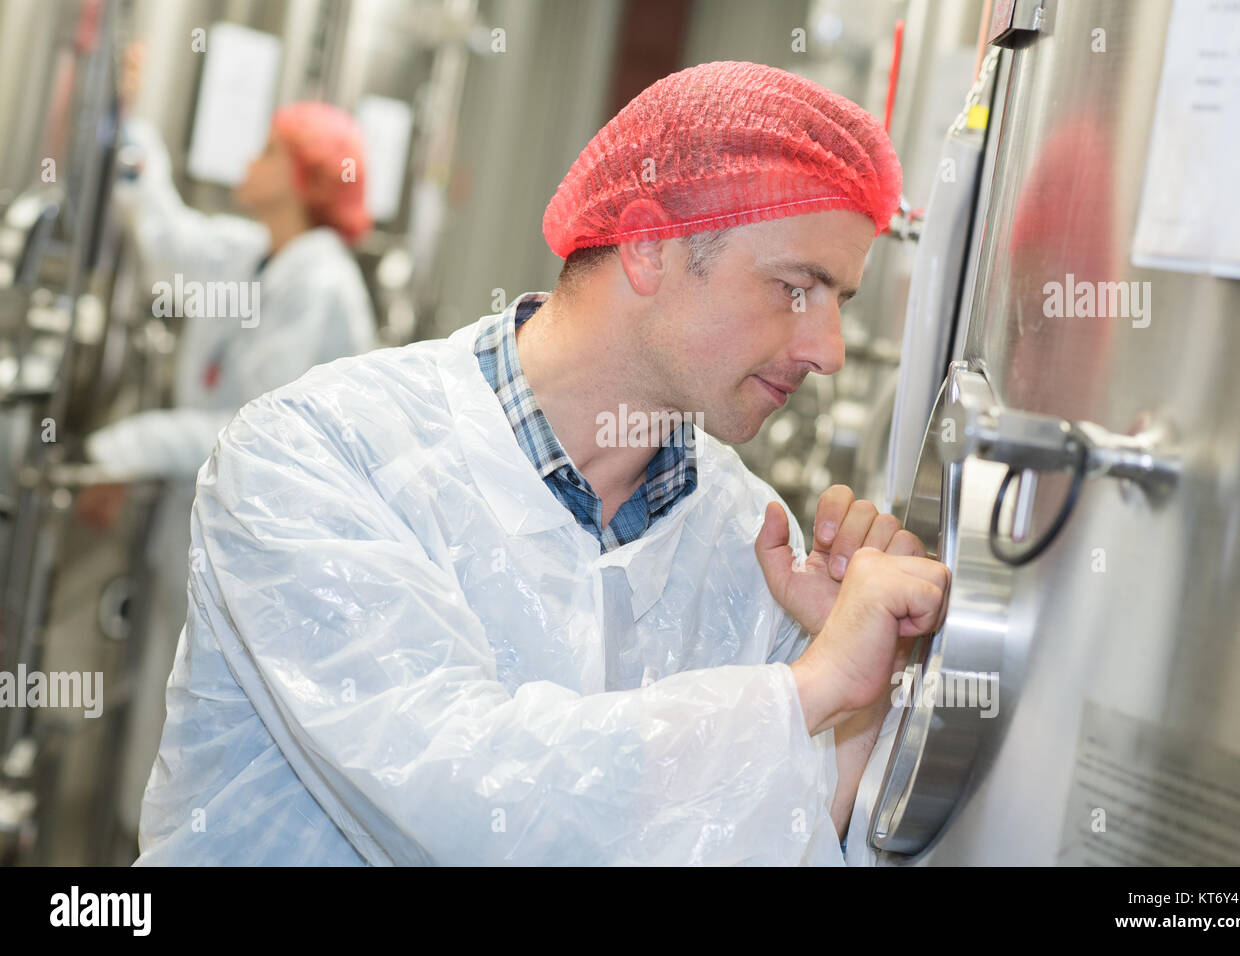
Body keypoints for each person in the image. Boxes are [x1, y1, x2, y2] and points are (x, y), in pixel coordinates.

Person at [135, 60, 949, 866]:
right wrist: (810, 689)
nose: (829, 351)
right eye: (796, 288)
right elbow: (473, 804)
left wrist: (860, 695)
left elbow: (768, 843)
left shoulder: (749, 541)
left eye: (839, 303)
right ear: (647, 244)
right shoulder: (320, 454)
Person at [78, 65, 378, 845]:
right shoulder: (258, 253)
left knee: (202, 745)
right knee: (165, 724)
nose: (251, 161)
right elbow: (164, 236)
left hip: (263, 566)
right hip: (202, 542)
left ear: (304, 179)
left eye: (270, 151)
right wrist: (130, 111)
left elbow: (249, 429)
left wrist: (121, 447)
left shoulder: (319, 284)